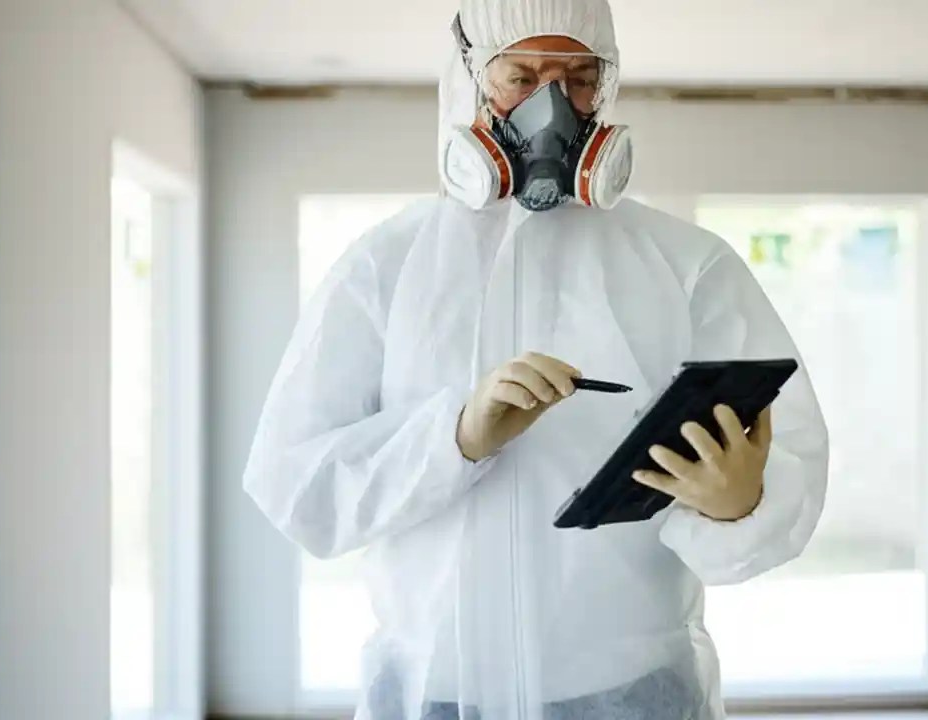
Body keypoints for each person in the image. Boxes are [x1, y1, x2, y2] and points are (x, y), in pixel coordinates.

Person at [243, 0, 830, 717]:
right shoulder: (384, 267)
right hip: (431, 693)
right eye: (520, 77)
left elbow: (791, 452)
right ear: (466, 81)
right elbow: (294, 485)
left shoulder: (689, 266)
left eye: (579, 79)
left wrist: (741, 507)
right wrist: (454, 438)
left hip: (633, 691)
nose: (552, 107)